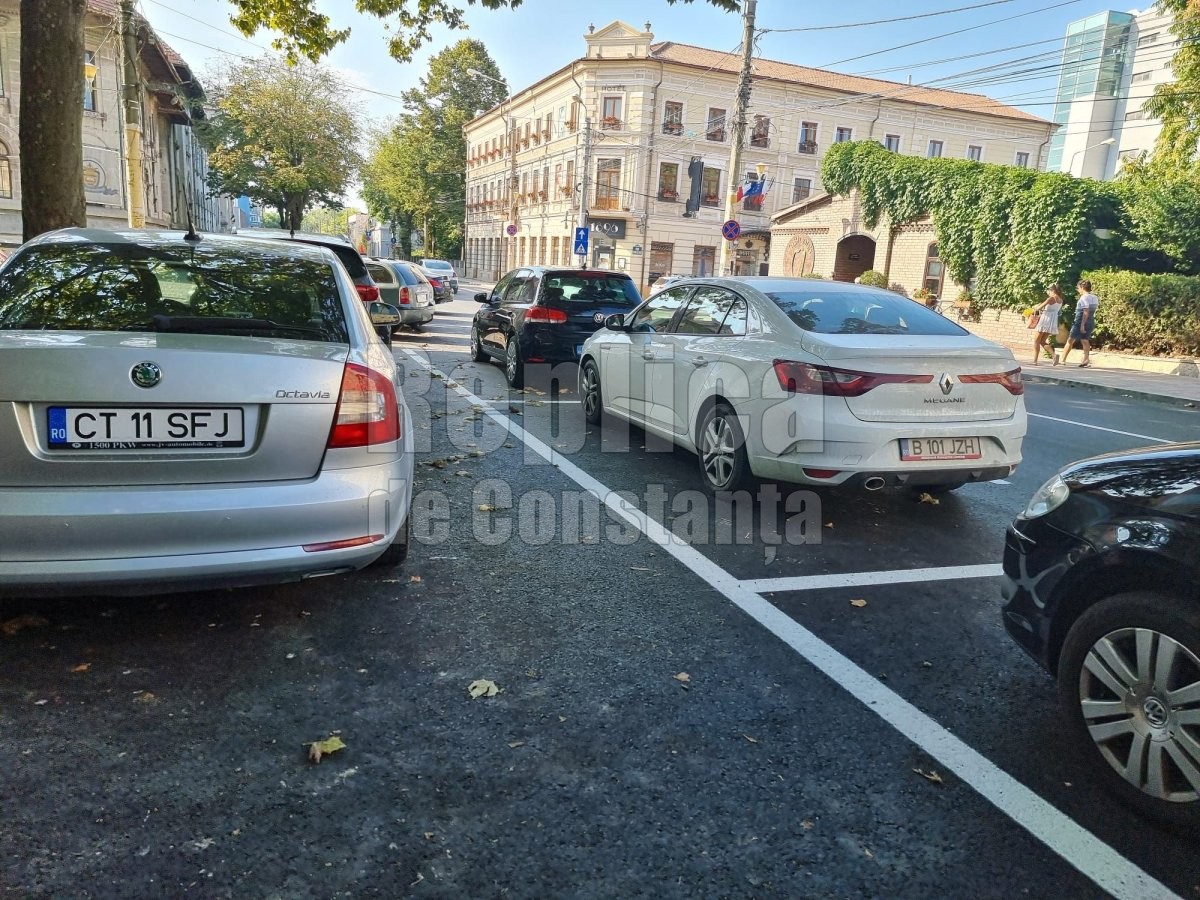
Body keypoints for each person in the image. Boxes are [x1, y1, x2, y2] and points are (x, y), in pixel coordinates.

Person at [1060, 279, 1099, 367]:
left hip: (1080, 321)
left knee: (1070, 340)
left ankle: (1062, 359)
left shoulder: (1084, 297)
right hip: (1090, 320)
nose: (1078, 290)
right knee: (1085, 340)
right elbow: (1092, 310)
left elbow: (1085, 310)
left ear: (1082, 287)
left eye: (1078, 288)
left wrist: (1082, 325)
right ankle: (1086, 359)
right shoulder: (1094, 297)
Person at [1029, 284, 1063, 367]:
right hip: (1052, 322)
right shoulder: (1060, 300)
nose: (1048, 292)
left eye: (1049, 290)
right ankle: (1054, 355)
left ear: (1052, 290)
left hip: (1045, 320)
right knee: (1042, 341)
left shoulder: (1051, 298)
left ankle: (1035, 361)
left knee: (1036, 341)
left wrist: (1035, 308)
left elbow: (1038, 308)